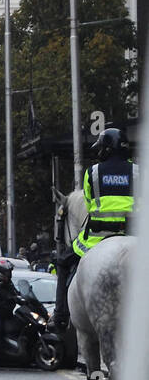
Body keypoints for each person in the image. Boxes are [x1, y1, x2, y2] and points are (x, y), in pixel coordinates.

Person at [53, 127, 137, 331]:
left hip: (98, 236)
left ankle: (61, 316)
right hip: (136, 234)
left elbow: (89, 205)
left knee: (63, 264)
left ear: (106, 150)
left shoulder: (93, 173)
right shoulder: (139, 171)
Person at [0, 258, 24, 365]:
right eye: (7, 271)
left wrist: (23, 297)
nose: (9, 273)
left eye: (10, 271)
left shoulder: (9, 283)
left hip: (8, 313)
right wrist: (6, 296)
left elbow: (16, 293)